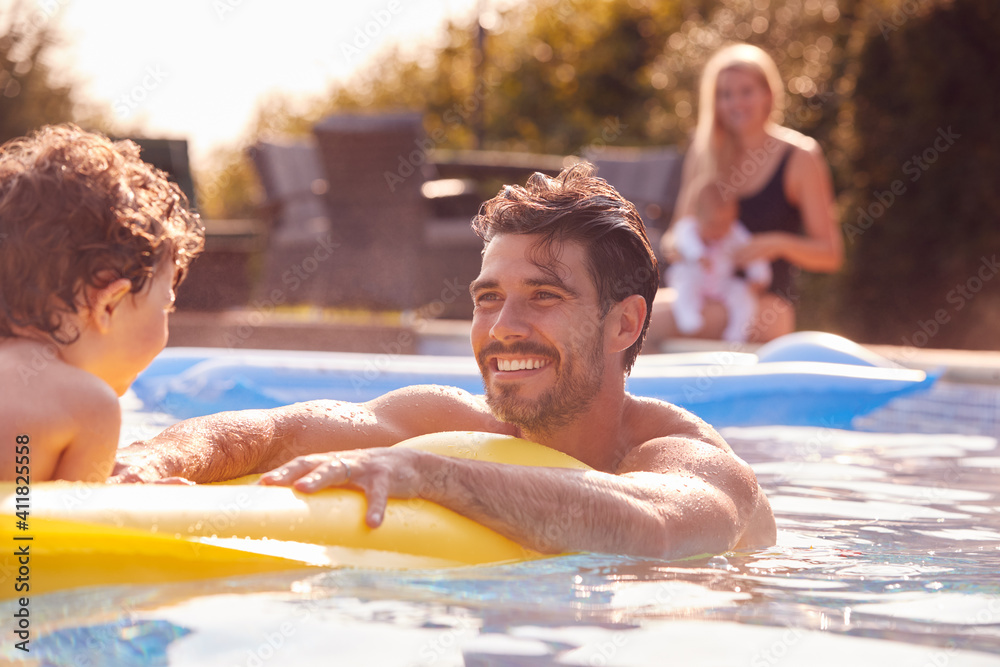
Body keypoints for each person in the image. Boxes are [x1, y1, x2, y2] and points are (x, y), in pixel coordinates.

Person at [112, 164, 775, 560]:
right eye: (488, 299)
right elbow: (276, 431)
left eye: (543, 297)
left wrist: (427, 475)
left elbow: (650, 528)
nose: (504, 329)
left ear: (624, 323)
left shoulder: (691, 459)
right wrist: (158, 458)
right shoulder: (446, 419)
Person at [0, 124, 204, 482]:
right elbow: (63, 516)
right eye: (165, 305)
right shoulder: (88, 406)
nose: (167, 322)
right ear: (110, 304)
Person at [647, 43, 843, 346]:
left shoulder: (801, 157)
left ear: (768, 94)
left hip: (764, 305)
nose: (735, 102)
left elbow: (830, 255)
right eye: (725, 94)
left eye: (746, 91)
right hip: (702, 292)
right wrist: (694, 248)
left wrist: (775, 244)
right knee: (623, 317)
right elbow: (675, 237)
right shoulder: (705, 152)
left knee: (644, 327)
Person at [667, 180, 771, 342]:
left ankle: (737, 332)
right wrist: (698, 254)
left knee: (743, 295)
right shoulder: (688, 227)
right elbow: (683, 239)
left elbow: (751, 252)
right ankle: (688, 317)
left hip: (722, 282)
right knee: (684, 285)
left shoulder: (735, 233)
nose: (719, 231)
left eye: (725, 224)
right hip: (695, 278)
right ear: (697, 216)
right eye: (712, 224)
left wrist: (759, 275)